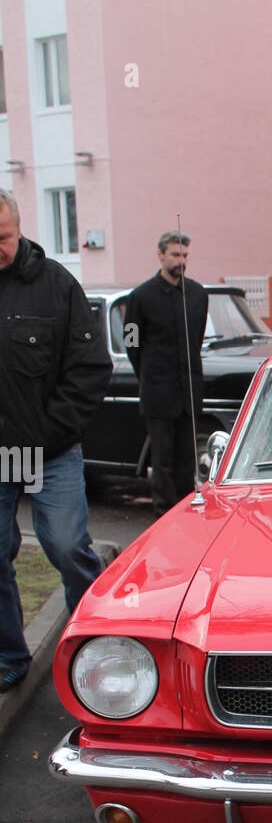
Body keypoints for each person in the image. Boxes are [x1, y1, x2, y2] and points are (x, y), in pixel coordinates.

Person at [0, 188, 111, 692]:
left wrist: (48, 434)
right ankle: (9, 656)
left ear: (19, 228)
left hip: (49, 448)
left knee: (65, 546)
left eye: (0, 237)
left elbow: (89, 371)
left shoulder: (56, 286)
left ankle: (98, 647)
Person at [124, 231, 208, 517]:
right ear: (160, 255)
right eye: (175, 255)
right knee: (162, 464)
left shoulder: (198, 294)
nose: (180, 261)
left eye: (184, 255)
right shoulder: (140, 297)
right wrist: (150, 375)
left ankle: (186, 516)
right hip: (158, 395)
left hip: (189, 393)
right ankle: (163, 516)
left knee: (187, 462)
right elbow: (132, 343)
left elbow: (195, 339)